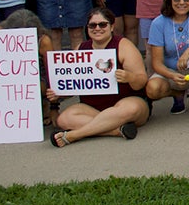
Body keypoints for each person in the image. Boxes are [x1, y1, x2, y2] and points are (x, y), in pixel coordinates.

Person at [49, 8, 149, 147]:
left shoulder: (123, 45)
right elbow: (73, 85)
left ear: (112, 26)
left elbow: (141, 82)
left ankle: (74, 135)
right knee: (64, 119)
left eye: (102, 24)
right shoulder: (80, 49)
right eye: (92, 25)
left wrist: (130, 77)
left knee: (131, 108)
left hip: (125, 102)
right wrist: (58, 93)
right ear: (87, 28)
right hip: (92, 108)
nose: (97, 28)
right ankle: (115, 130)